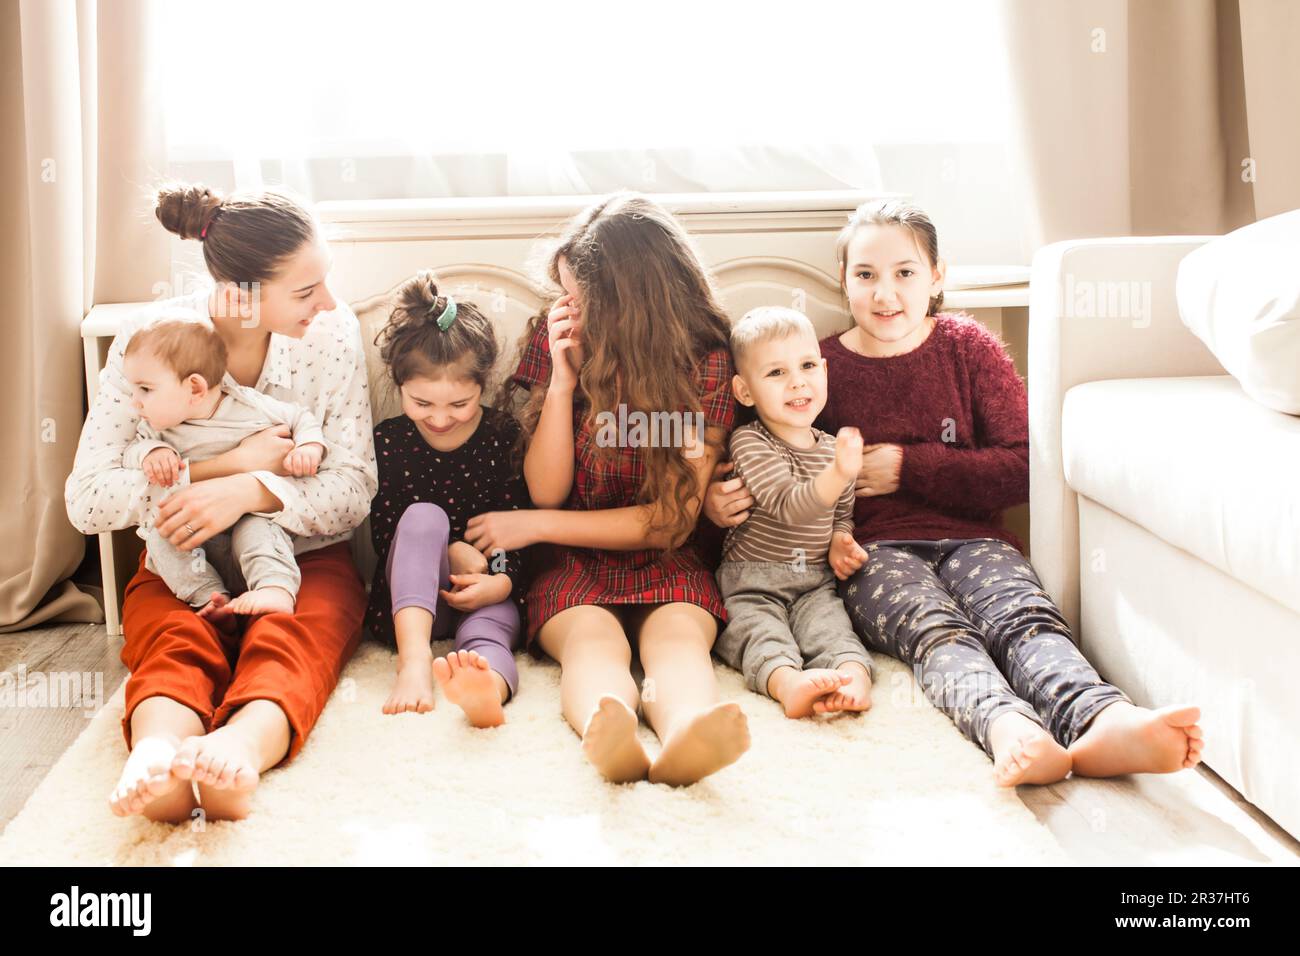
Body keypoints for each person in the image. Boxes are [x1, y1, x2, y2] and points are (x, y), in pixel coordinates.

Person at [704, 199, 1205, 786]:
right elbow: (770, 451)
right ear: (843, 281)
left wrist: (910, 467)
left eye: (905, 273)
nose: (884, 293)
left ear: (937, 276)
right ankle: (1006, 729)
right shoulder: (819, 365)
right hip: (875, 554)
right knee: (935, 631)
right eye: (865, 275)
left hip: (974, 538)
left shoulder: (968, 349)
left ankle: (1102, 718)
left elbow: (1024, 468)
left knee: (1023, 617)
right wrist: (717, 503)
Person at [66, 182, 376, 820]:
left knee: (295, 636)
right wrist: (222, 469)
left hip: (302, 556)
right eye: (305, 290)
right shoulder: (147, 341)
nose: (329, 302)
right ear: (241, 291)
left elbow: (353, 487)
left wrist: (250, 491)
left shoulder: (331, 335)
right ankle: (157, 756)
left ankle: (239, 748)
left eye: (324, 282)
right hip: (184, 556)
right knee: (172, 639)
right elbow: (88, 501)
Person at [468, 192, 751, 785]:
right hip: (574, 562)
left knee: (678, 640)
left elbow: (671, 520)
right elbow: (546, 492)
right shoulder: (560, 342)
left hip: (669, 555)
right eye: (565, 290)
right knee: (590, 643)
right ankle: (612, 725)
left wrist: (536, 527)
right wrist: (562, 386)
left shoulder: (706, 363)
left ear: (635, 298)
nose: (568, 305)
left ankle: (686, 732)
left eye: (582, 294)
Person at [366, 271, 530, 728]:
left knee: (489, 632)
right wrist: (450, 548)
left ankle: (487, 689)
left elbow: (516, 521)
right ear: (399, 385)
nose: (440, 418)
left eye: (459, 405)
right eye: (422, 403)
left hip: (483, 589)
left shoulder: (502, 435)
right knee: (421, 516)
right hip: (411, 603)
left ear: (484, 385)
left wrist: (501, 581)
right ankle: (414, 663)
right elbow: (384, 533)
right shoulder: (390, 441)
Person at [711, 306, 875, 718]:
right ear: (745, 391)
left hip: (814, 581)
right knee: (756, 634)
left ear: (823, 370)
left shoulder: (833, 448)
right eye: (776, 373)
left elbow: (840, 513)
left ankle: (854, 677)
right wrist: (840, 472)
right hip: (752, 579)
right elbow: (789, 506)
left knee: (834, 630)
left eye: (806, 366)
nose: (797, 381)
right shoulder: (750, 442)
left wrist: (841, 539)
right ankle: (788, 684)